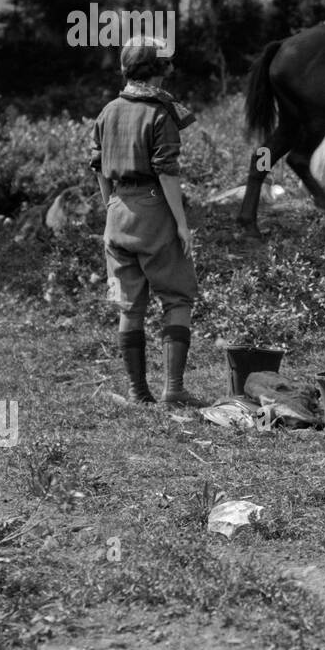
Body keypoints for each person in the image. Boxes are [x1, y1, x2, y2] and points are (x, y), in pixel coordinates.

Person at [90, 36, 208, 406]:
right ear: (159, 70)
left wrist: (110, 204)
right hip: (154, 210)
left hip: (117, 213)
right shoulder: (161, 113)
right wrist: (181, 223)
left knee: (130, 305)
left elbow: (98, 167)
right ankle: (173, 390)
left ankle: (137, 391)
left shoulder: (108, 110)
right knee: (177, 298)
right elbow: (167, 173)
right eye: (167, 64)